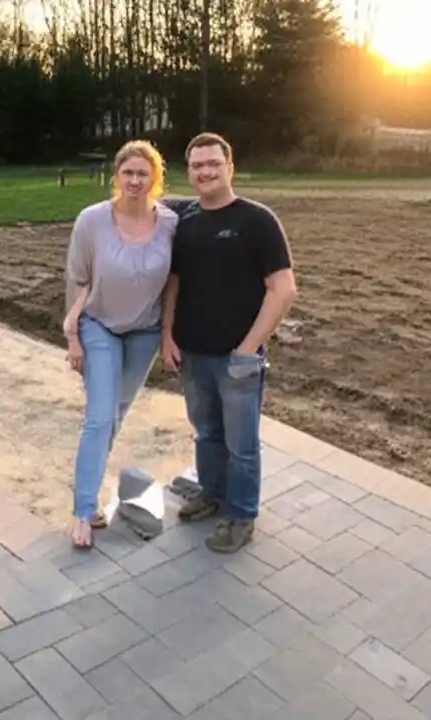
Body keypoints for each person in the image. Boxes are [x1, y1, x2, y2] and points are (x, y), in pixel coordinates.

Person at [160, 132, 298, 554]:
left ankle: (240, 514)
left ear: (229, 168)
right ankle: (213, 493)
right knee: (206, 434)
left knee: (242, 445)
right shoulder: (187, 223)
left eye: (213, 164)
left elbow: (284, 289)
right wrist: (167, 335)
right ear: (191, 172)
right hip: (193, 354)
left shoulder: (257, 220)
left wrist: (247, 349)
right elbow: (174, 284)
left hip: (238, 360)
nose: (205, 171)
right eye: (198, 166)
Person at [63, 140, 179, 550]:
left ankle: (89, 488)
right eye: (127, 173)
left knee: (116, 414)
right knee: (99, 416)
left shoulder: (169, 224)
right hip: (99, 326)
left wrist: (166, 334)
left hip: (144, 332)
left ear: (155, 179)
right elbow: (77, 279)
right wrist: (73, 336)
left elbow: (173, 284)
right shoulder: (91, 221)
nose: (134, 180)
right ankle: (82, 509)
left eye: (142, 173)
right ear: (116, 177)